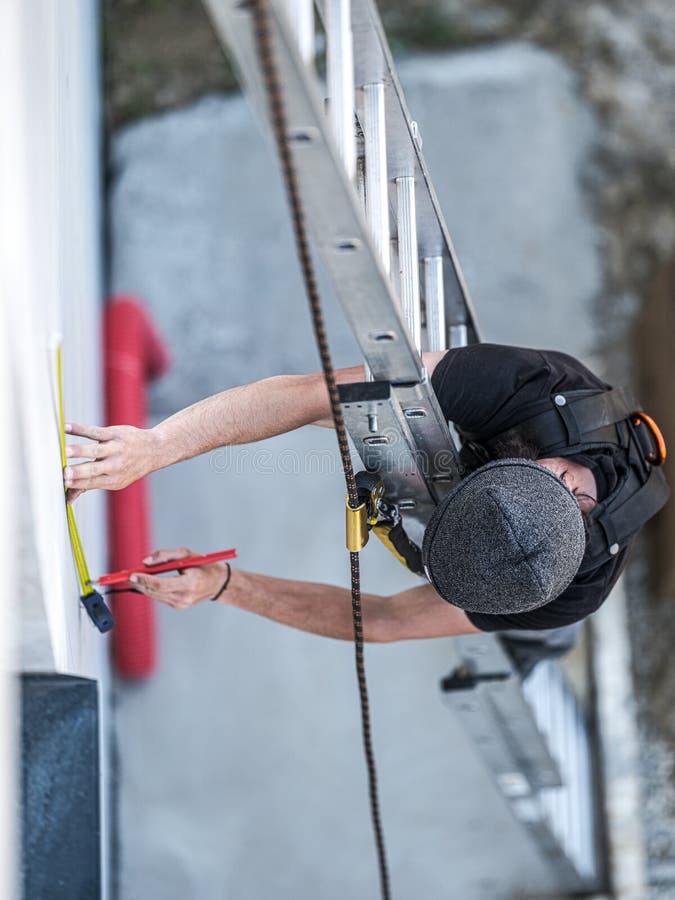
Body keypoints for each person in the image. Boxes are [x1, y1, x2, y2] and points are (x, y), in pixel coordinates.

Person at [63, 344, 668, 667]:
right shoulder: (527, 386)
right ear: (522, 465)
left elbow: (385, 621)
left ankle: (538, 646)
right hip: (522, 426)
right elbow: (313, 396)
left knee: (535, 641)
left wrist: (226, 584)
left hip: (550, 601)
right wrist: (155, 445)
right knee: (366, 395)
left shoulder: (575, 593)